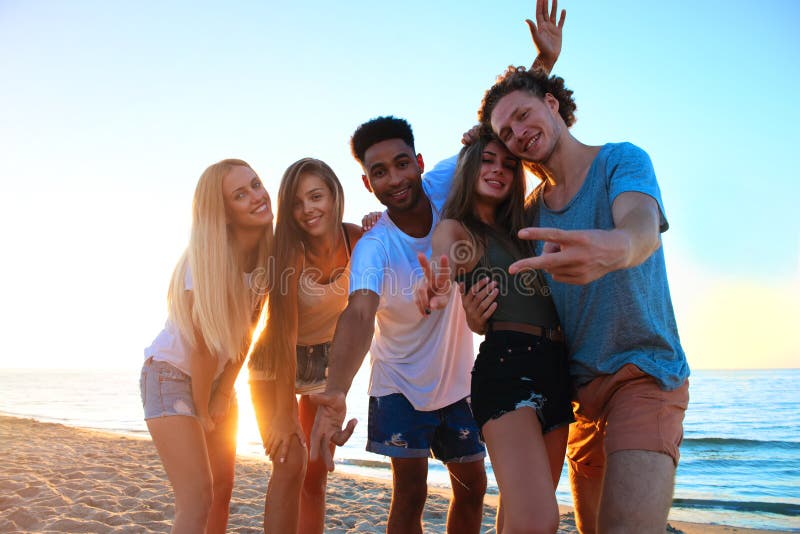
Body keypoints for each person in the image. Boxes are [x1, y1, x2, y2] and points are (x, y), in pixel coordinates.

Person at [478, 67, 691, 533]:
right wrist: (477, 315)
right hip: (573, 396)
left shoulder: (620, 160)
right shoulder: (529, 213)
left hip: (643, 373)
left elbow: (640, 229)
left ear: (552, 103)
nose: (517, 133)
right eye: (506, 132)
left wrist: (613, 249)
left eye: (523, 115)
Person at [415, 132, 573, 534]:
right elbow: (445, 259)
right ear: (469, 166)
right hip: (507, 369)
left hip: (557, 370)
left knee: (519, 515)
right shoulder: (458, 229)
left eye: (508, 164)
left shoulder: (524, 228)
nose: (498, 170)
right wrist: (436, 286)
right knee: (539, 521)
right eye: (487, 160)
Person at [140, 159, 273, 534]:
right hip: (171, 376)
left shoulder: (265, 259)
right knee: (197, 497)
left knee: (222, 490)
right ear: (223, 213)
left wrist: (225, 389)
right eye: (240, 195)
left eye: (256, 184)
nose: (257, 196)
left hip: (217, 379)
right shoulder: (207, 260)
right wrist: (203, 411)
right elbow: (202, 347)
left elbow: (248, 333)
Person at [248, 158, 363, 533]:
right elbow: (283, 334)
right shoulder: (290, 251)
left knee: (315, 472)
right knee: (290, 462)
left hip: (325, 360)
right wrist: (284, 413)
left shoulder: (356, 240)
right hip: (276, 361)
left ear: (334, 195)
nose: (308, 209)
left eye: (316, 196)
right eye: (297, 203)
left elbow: (363, 315)